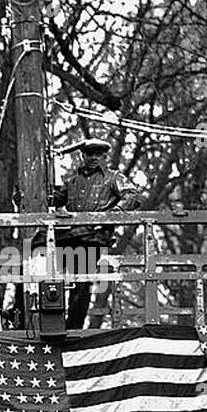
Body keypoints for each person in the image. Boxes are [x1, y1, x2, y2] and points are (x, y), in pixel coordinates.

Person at [48, 130, 137, 329]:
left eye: (99, 154)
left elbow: (132, 195)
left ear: (105, 157)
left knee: (81, 283)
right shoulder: (73, 180)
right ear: (83, 156)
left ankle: (73, 329)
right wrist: (29, 196)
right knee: (31, 257)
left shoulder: (113, 178)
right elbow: (55, 199)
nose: (95, 157)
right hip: (68, 235)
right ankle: (20, 309)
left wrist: (114, 212)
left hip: (92, 237)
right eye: (90, 154)